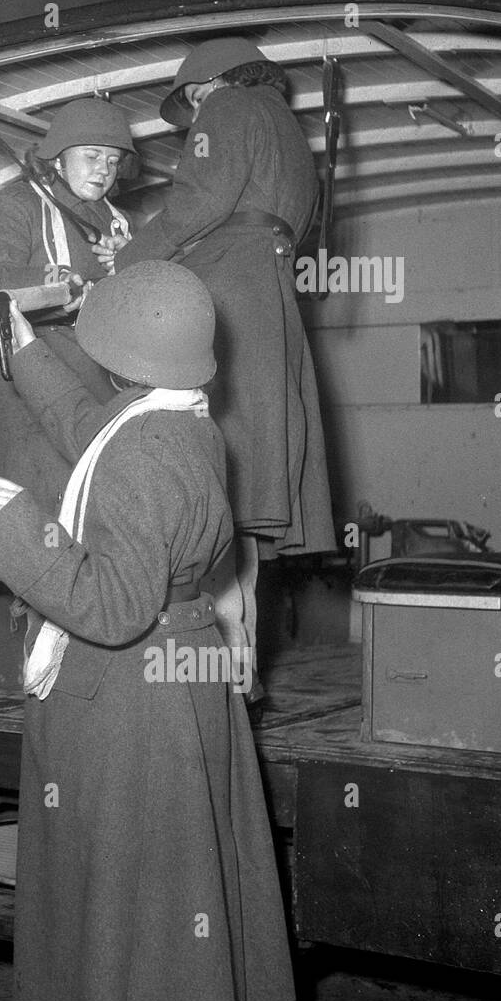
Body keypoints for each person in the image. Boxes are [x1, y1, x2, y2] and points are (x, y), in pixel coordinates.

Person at [0, 263, 294, 1001]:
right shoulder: (178, 422)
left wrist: (19, 526)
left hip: (129, 701)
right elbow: (94, 435)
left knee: (121, 903)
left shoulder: (145, 452)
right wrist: (26, 349)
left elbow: (110, 607)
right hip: (174, 682)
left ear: (119, 355)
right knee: (165, 911)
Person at [107, 38, 336, 678]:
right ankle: (238, 672)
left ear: (214, 82)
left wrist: (128, 264)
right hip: (270, 300)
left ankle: (207, 671)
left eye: (196, 98)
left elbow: (199, 203)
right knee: (236, 517)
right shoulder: (290, 131)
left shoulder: (231, 105)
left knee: (201, 490)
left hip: (228, 291)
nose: (198, 114)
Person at [0, 98, 138, 523]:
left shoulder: (121, 225)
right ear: (57, 158)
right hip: (17, 384)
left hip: (92, 385)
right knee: (27, 531)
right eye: (92, 156)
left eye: (113, 161)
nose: (104, 170)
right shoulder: (15, 204)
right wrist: (53, 281)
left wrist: (132, 263)